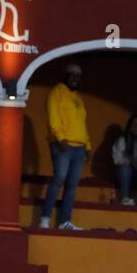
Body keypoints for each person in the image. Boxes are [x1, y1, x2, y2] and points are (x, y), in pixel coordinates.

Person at [39, 63, 88, 232]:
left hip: (79, 147)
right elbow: (53, 117)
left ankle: (64, 221)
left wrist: (87, 145)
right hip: (63, 144)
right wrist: (61, 138)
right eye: (72, 74)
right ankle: (45, 218)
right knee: (59, 179)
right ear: (65, 75)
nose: (75, 78)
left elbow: (82, 123)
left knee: (72, 185)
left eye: (78, 75)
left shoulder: (78, 98)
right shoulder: (56, 92)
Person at [111, 114, 137, 206]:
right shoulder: (122, 140)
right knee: (125, 169)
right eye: (134, 124)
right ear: (129, 126)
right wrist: (130, 162)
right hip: (124, 173)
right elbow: (117, 160)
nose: (136, 126)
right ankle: (125, 198)